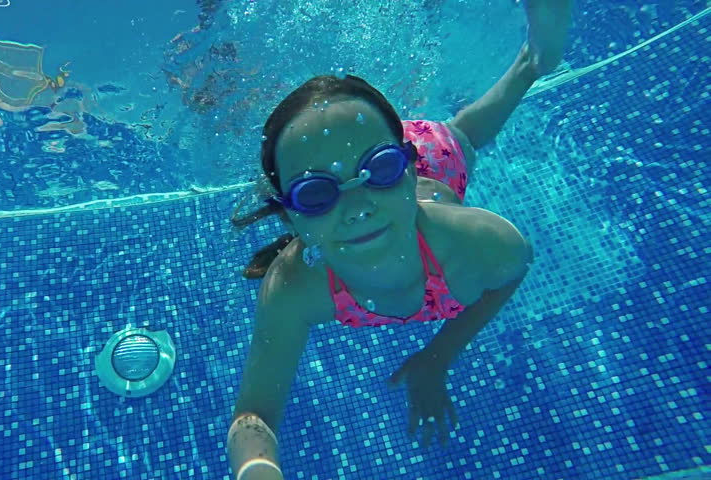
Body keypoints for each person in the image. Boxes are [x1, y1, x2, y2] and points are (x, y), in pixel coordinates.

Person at [227, 1, 573, 479]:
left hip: (436, 159)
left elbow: (512, 271)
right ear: (290, 218)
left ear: (407, 172)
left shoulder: (476, 242)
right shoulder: (294, 288)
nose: (358, 206)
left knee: (464, 137)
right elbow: (255, 413)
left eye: (385, 172)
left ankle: (534, 61)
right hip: (374, 148)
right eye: (316, 194)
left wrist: (439, 356)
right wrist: (257, 467)